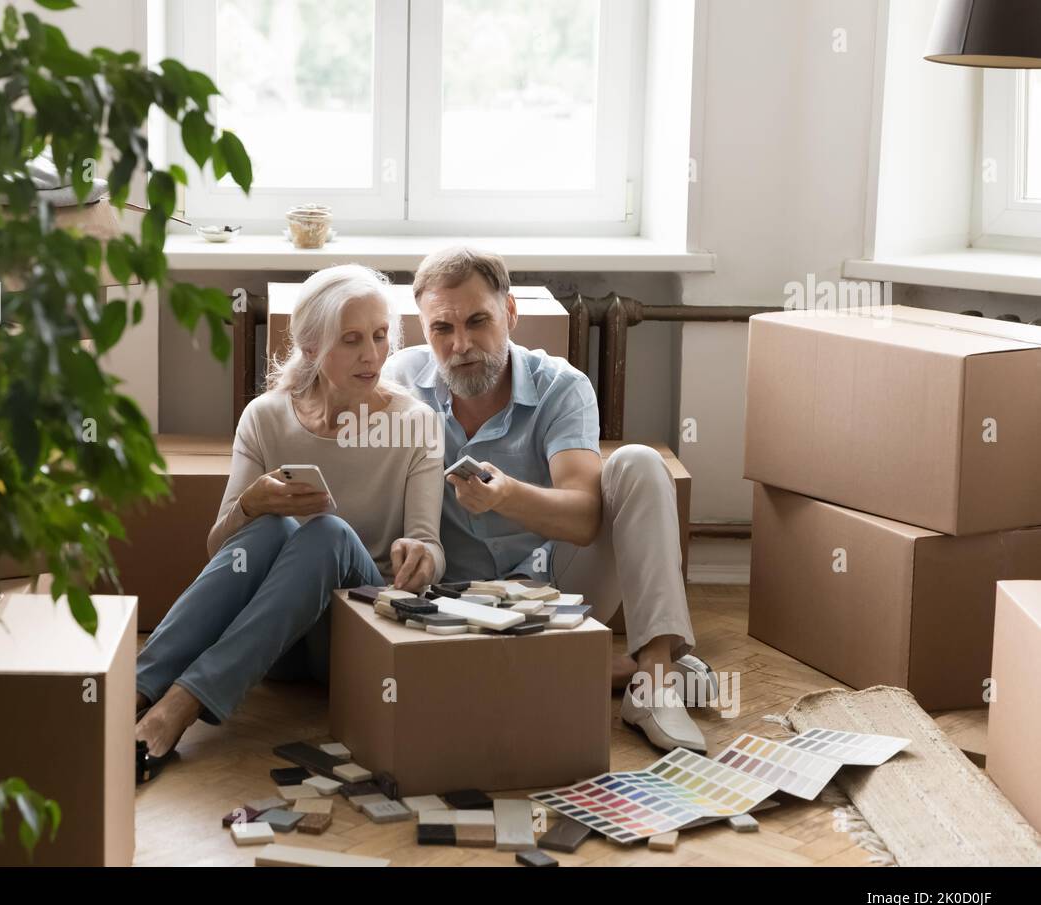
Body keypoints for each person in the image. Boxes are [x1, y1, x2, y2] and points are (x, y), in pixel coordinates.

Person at [383, 246, 714, 753]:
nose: (462, 344)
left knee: (639, 462)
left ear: (510, 313)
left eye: (478, 321)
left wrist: (507, 496)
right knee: (467, 686)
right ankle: (640, 666)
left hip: (558, 585)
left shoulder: (561, 386)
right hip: (457, 605)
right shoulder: (401, 381)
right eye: (441, 330)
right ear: (423, 329)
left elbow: (584, 519)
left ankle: (654, 687)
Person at [134, 264, 445, 763]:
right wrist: (251, 505)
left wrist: (422, 557)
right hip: (271, 641)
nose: (372, 355)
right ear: (311, 347)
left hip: (356, 637)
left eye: (381, 336)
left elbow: (431, 546)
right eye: (351, 340)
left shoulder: (416, 423)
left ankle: (182, 702)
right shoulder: (266, 416)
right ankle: (135, 690)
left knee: (328, 533)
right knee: (270, 526)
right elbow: (220, 551)